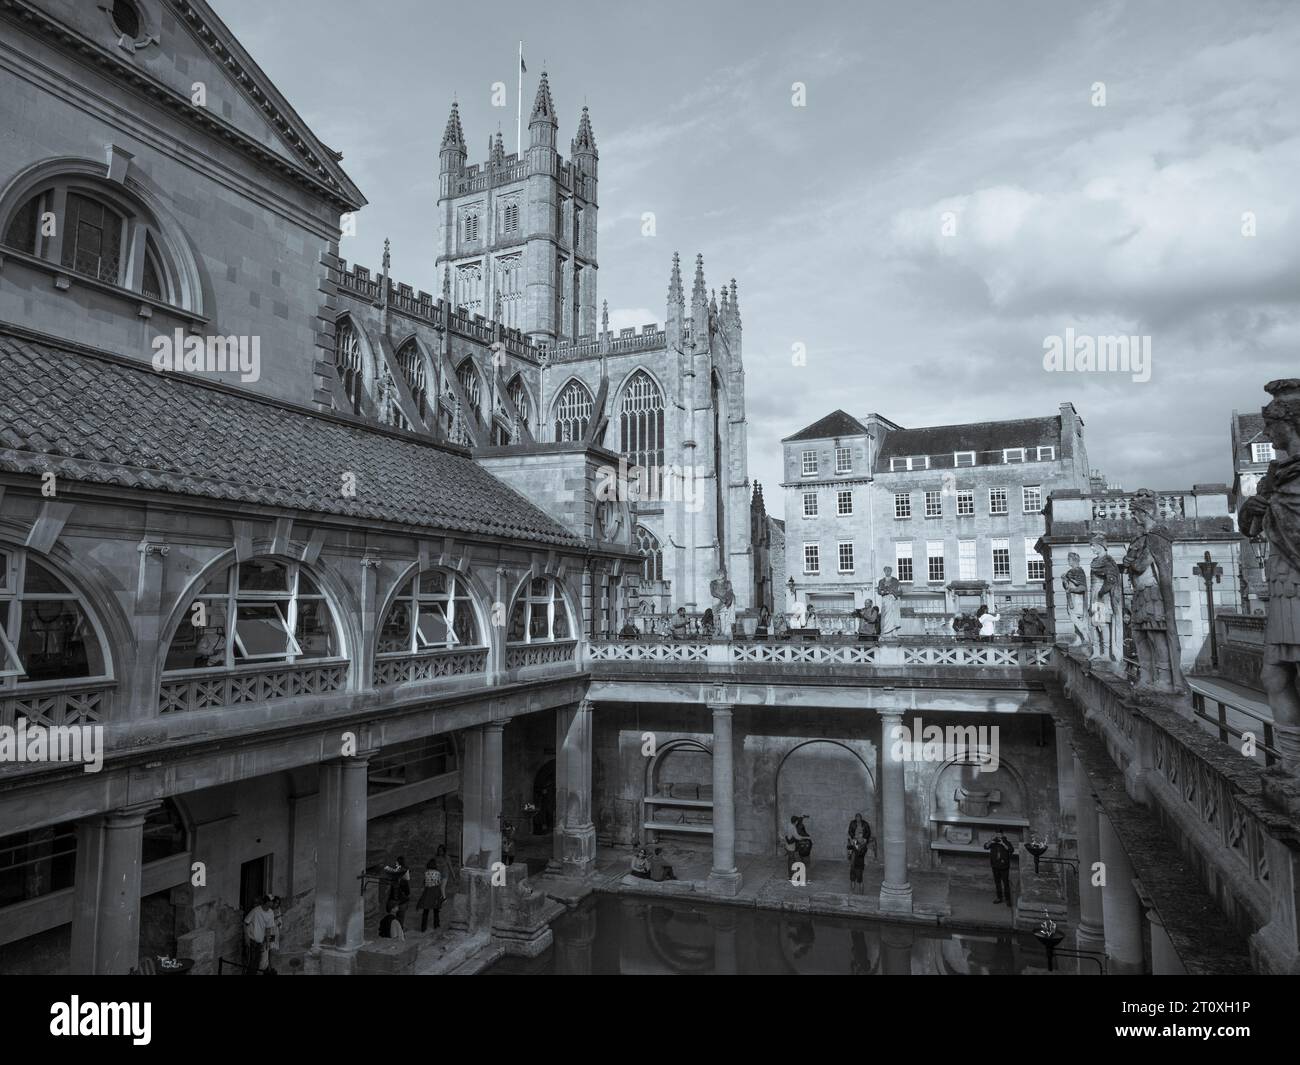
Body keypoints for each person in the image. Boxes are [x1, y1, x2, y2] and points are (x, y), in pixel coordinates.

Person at [243, 895, 277, 974]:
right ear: (267, 902)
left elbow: (268, 928)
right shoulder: (256, 911)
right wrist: (246, 938)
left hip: (260, 941)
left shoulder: (271, 913)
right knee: (250, 963)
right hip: (252, 940)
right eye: (271, 901)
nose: (272, 903)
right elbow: (245, 923)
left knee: (257, 963)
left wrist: (268, 942)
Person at [983, 830, 1014, 905]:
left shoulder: (1007, 842)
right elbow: (985, 847)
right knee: (997, 883)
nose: (998, 836)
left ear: (1002, 835)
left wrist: (1003, 843)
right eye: (997, 835)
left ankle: (1008, 900)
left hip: (1004, 867)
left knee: (1006, 883)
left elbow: (1011, 850)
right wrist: (990, 840)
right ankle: (999, 898)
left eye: (999, 835)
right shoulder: (993, 843)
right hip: (995, 866)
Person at [383, 855, 411, 927]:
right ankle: (399, 932)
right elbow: (407, 892)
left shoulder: (392, 881)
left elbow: (389, 892)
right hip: (402, 901)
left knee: (393, 918)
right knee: (401, 918)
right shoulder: (404, 881)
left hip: (394, 901)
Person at [418, 857, 444, 932]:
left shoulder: (426, 873)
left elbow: (425, 883)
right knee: (436, 910)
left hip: (428, 891)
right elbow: (439, 883)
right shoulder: (438, 873)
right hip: (435, 891)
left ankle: (423, 927)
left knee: (426, 910)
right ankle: (436, 925)